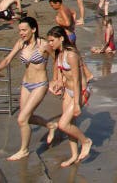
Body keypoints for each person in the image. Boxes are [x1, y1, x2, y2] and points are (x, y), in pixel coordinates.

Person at [0, 16, 54, 160]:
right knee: (27, 117)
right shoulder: (21, 43)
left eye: (24, 30)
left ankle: (24, 150)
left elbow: (58, 59)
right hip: (26, 84)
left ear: (33, 29)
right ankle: (51, 125)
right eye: (20, 30)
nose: (21, 33)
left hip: (40, 84)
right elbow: (7, 59)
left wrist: (57, 80)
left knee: (22, 119)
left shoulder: (44, 45)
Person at [46, 26, 93, 166]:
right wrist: (58, 84)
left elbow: (77, 80)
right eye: (49, 41)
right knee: (70, 125)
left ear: (61, 38)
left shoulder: (71, 54)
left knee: (63, 124)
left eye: (52, 40)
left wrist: (77, 103)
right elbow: (62, 75)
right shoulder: (59, 54)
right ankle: (74, 155)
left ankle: (86, 141)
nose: (50, 43)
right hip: (68, 91)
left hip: (80, 92)